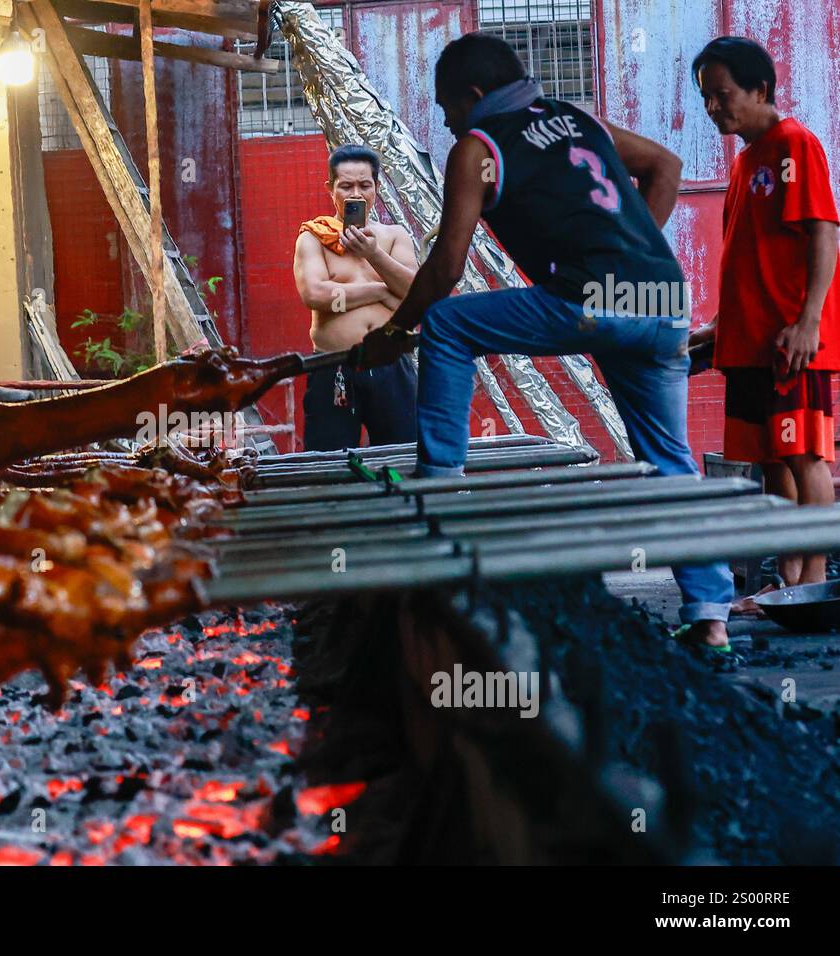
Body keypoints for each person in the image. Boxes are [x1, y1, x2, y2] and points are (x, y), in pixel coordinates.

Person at [355, 33, 734, 649]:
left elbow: (447, 267)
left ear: (473, 96)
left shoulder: (478, 147)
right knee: (670, 462)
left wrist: (397, 331)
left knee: (448, 325)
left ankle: (439, 499)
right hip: (663, 300)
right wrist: (625, 257)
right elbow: (666, 165)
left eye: (447, 107)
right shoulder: (578, 118)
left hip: (592, 300)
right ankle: (711, 620)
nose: (448, 123)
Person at [688, 36, 839, 608]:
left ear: (761, 90)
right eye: (706, 97)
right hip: (748, 343)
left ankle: (815, 580)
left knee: (805, 456)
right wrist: (721, 326)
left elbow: (824, 231)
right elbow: (749, 258)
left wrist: (807, 324)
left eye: (723, 95)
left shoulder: (794, 144)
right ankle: (788, 579)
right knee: (772, 462)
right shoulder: (746, 160)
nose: (713, 108)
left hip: (789, 343)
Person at [293, 144, 419, 451]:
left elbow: (417, 293)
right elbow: (316, 294)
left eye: (365, 185)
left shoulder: (394, 236)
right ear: (330, 189)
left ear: (377, 187)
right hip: (334, 365)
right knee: (329, 463)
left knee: (403, 458)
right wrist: (380, 291)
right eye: (346, 185)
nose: (356, 194)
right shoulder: (315, 237)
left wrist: (373, 254)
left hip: (393, 363)